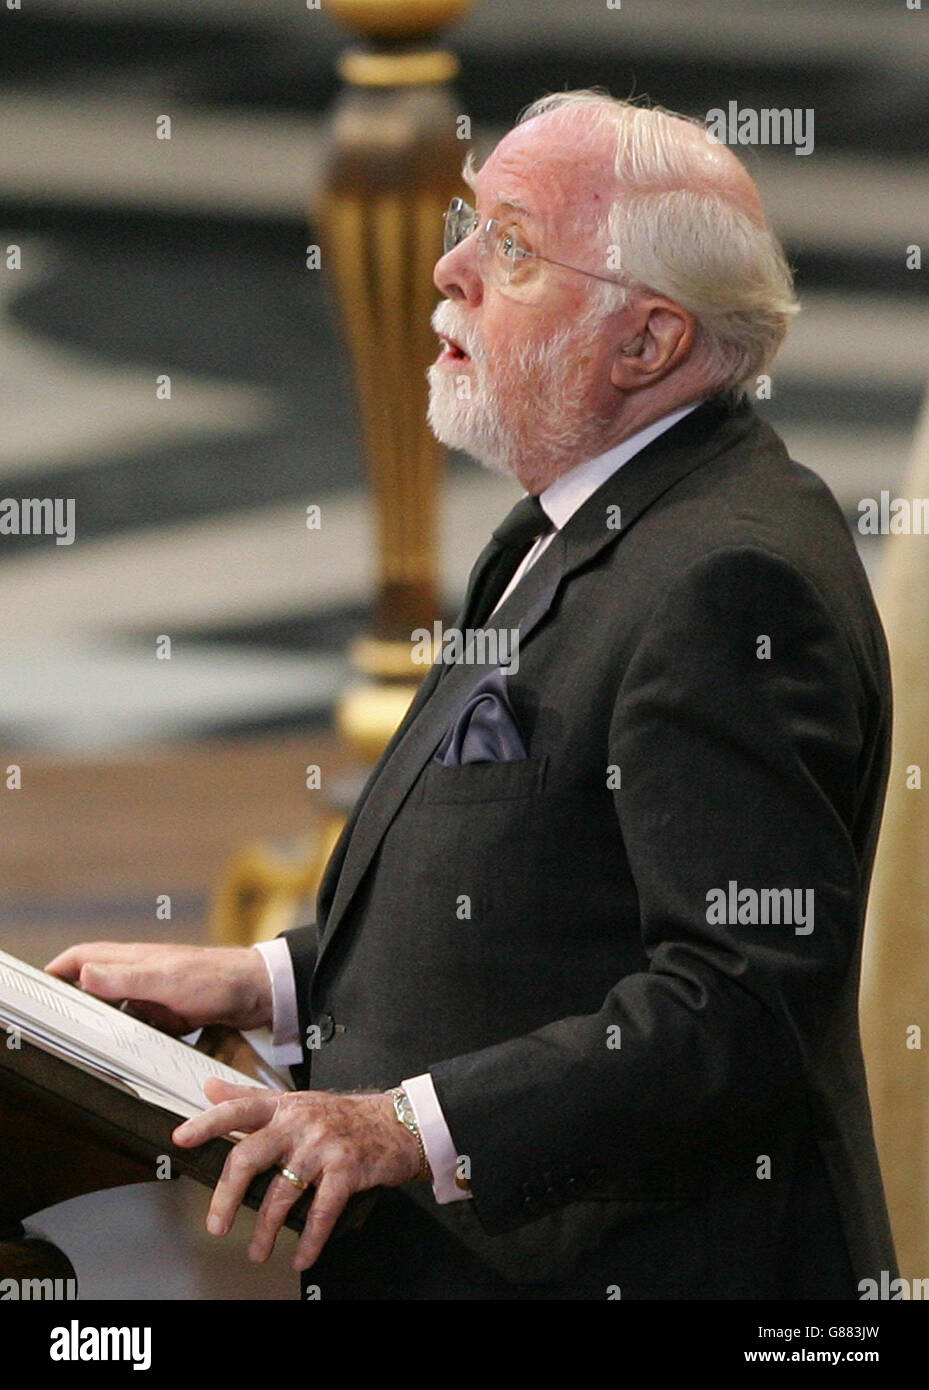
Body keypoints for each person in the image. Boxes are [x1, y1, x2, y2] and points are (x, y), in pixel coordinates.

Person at [47, 91, 897, 1300]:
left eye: (508, 244)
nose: (446, 268)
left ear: (644, 342)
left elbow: (737, 1003)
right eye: (468, 222)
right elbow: (534, 895)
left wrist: (403, 1126)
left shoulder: (731, 581)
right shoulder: (558, 526)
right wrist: (269, 981)